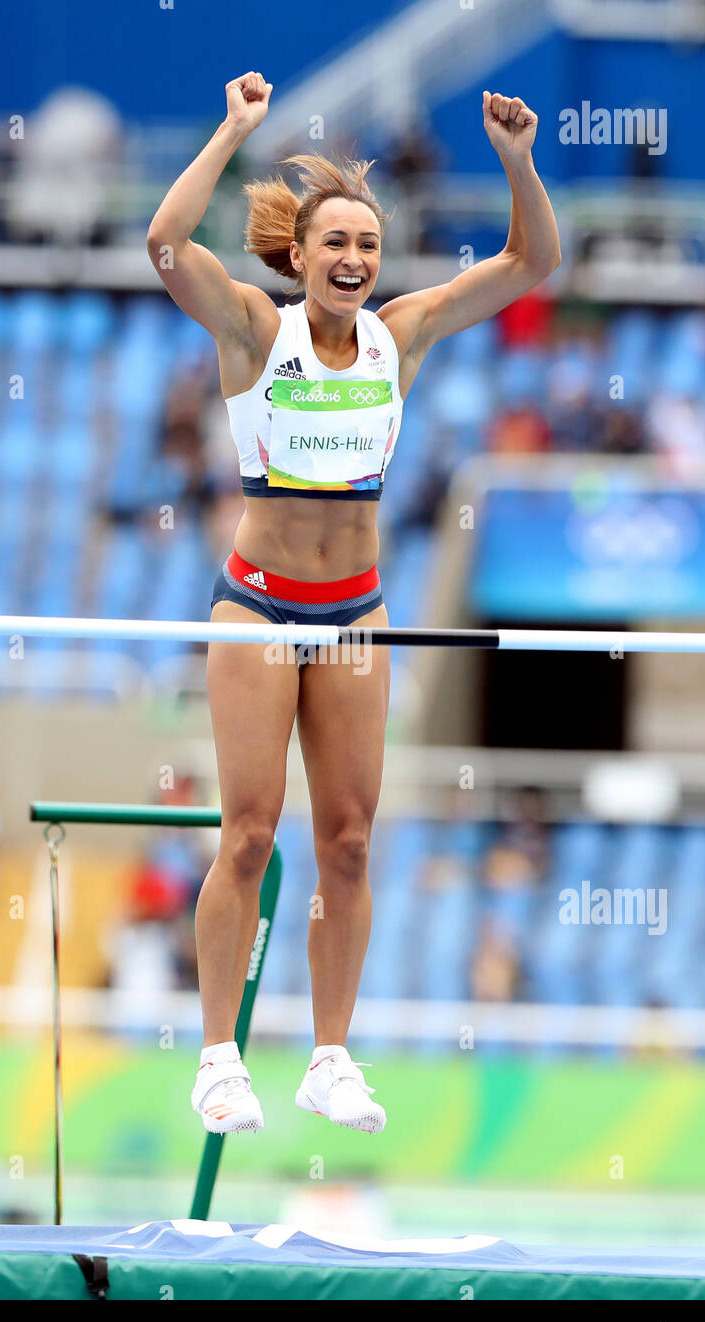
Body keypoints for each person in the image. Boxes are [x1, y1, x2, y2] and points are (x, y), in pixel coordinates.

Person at [147, 71, 560, 1136]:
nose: (353, 261)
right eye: (335, 243)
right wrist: (233, 130)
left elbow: (532, 263)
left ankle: (330, 1055)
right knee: (248, 834)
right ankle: (217, 1057)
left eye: (368, 247)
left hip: (356, 615)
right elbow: (163, 244)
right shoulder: (252, 330)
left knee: (350, 842)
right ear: (301, 255)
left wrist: (517, 164)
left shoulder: (401, 336)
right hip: (257, 607)